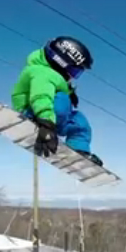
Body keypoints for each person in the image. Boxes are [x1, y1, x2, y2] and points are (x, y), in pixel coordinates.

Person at [11, 36, 103, 166]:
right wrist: (46, 123)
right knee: (61, 100)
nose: (73, 76)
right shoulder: (42, 73)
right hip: (35, 111)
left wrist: (70, 93)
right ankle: (41, 123)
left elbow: (57, 87)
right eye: (74, 71)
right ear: (60, 62)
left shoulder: (55, 76)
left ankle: (78, 150)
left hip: (53, 117)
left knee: (80, 122)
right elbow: (41, 96)